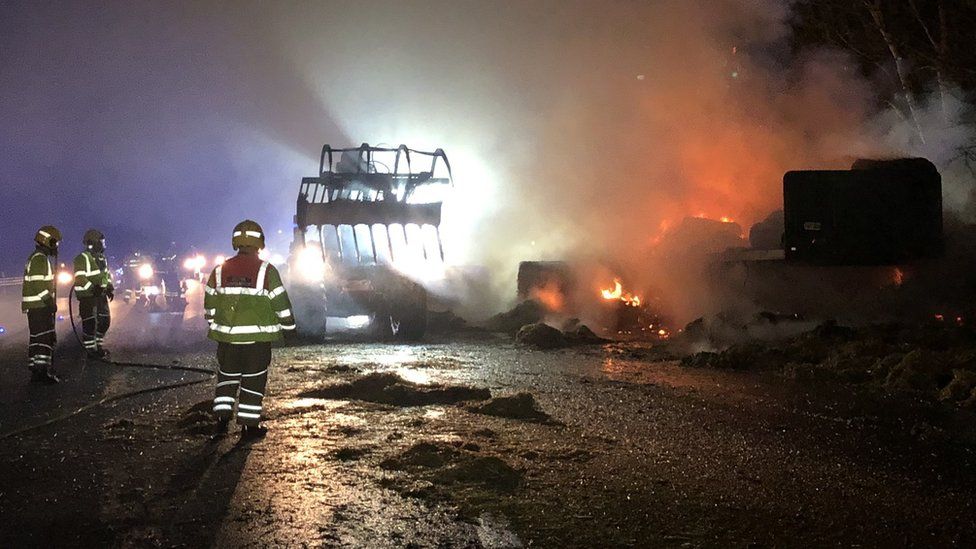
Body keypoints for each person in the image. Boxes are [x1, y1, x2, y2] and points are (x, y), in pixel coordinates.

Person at [204, 220, 295, 438]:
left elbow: (210, 306)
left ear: (236, 242)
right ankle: (248, 426)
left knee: (226, 380)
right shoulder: (267, 271)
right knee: (253, 382)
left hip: (227, 343)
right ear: (259, 242)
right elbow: (281, 303)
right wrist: (289, 329)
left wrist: (218, 326)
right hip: (257, 343)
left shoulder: (219, 271)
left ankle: (221, 423)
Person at [22, 225, 61, 384]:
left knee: (38, 338)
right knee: (43, 339)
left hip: (37, 307)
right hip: (39, 307)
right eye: (55, 243)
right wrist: (49, 301)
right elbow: (38, 284)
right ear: (48, 241)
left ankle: (37, 371)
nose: (56, 247)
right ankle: (41, 373)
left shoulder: (39, 257)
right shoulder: (39, 258)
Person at [73, 229, 114, 358]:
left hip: (100, 296)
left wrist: (109, 286)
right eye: (101, 242)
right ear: (93, 243)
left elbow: (105, 275)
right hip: (88, 297)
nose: (103, 244)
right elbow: (80, 279)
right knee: (90, 323)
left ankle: (98, 346)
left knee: (104, 321)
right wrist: (92, 288)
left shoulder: (102, 258)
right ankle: (91, 351)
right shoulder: (82, 258)